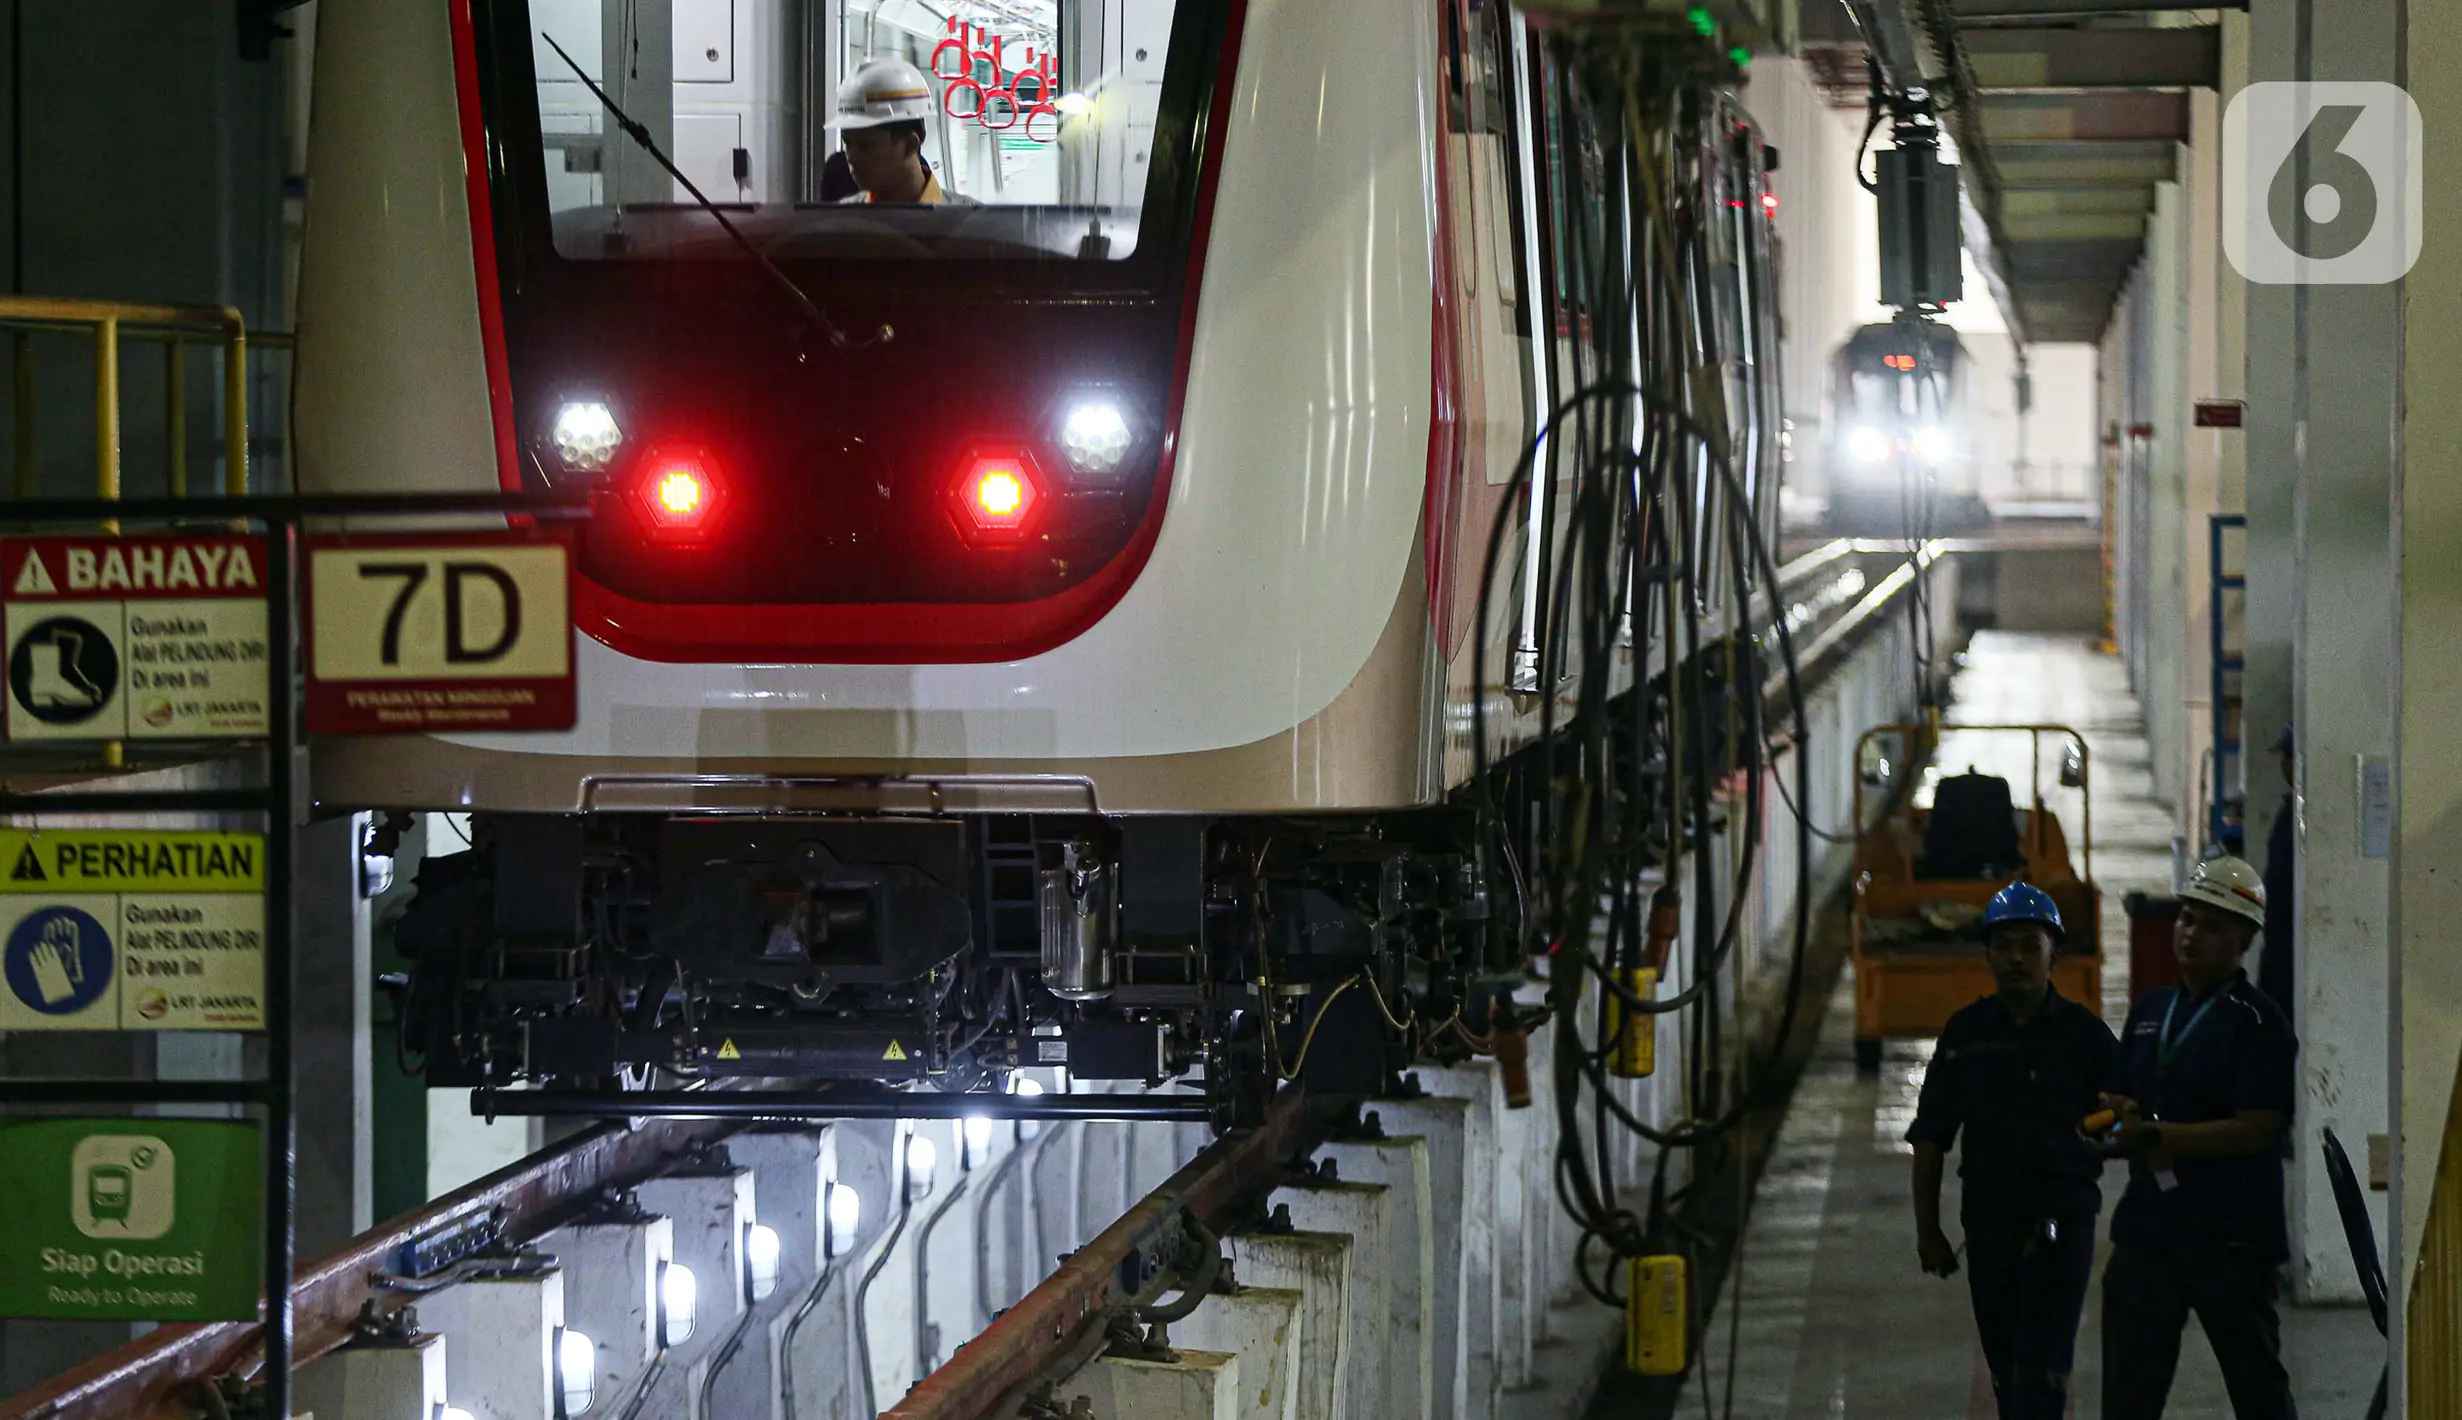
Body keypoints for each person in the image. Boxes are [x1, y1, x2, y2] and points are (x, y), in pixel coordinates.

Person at [1907, 883, 2125, 1420]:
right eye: (2003, 946)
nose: (2016, 958)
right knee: (2008, 1371)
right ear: (1987, 954)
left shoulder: (2086, 1037)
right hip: (1990, 1226)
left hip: (2064, 1225)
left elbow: (2128, 1117)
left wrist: (2112, 1129)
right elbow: (1931, 1136)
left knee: (2043, 1374)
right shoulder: (1965, 1035)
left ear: (2055, 954)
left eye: (2030, 945)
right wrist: (1928, 1231)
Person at [2099, 854, 2300, 1420]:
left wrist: (2157, 1135)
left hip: (2230, 1238)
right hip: (2150, 1231)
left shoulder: (2259, 1024)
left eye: (2211, 926)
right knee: (2129, 1392)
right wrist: (2113, 1116)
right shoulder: (2151, 1011)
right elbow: (2123, 1099)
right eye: (2186, 919)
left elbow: (2257, 1129)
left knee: (2258, 1388)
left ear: (2244, 941)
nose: (2190, 934)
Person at [829, 57, 978, 207]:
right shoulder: (840, 217)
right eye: (848, 144)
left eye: (866, 145)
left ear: (910, 145)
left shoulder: (970, 218)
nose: (852, 157)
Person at [2259, 723, 2295, 1014]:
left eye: (2287, 756)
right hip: (2277, 939)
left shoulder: (2305, 814)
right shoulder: (2289, 811)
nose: (2283, 765)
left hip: (2290, 945)